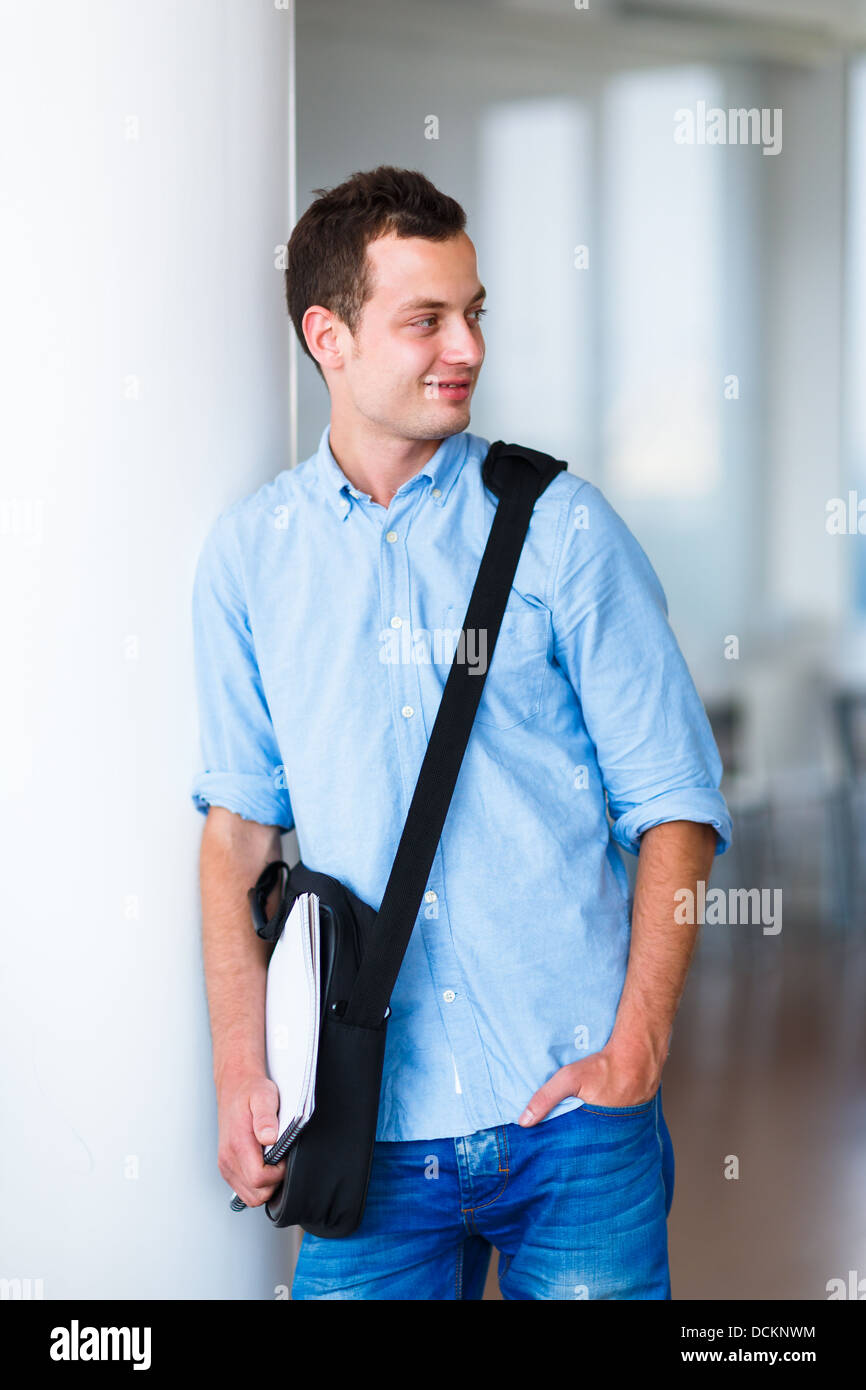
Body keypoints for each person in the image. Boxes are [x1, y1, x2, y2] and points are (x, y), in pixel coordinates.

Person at [190, 165, 732, 1300]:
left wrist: (636, 1049)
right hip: (364, 1132)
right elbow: (238, 833)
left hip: (572, 1124)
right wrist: (240, 1066)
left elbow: (675, 803)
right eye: (426, 319)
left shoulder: (563, 530)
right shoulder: (251, 558)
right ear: (329, 337)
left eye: (474, 312)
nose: (468, 348)